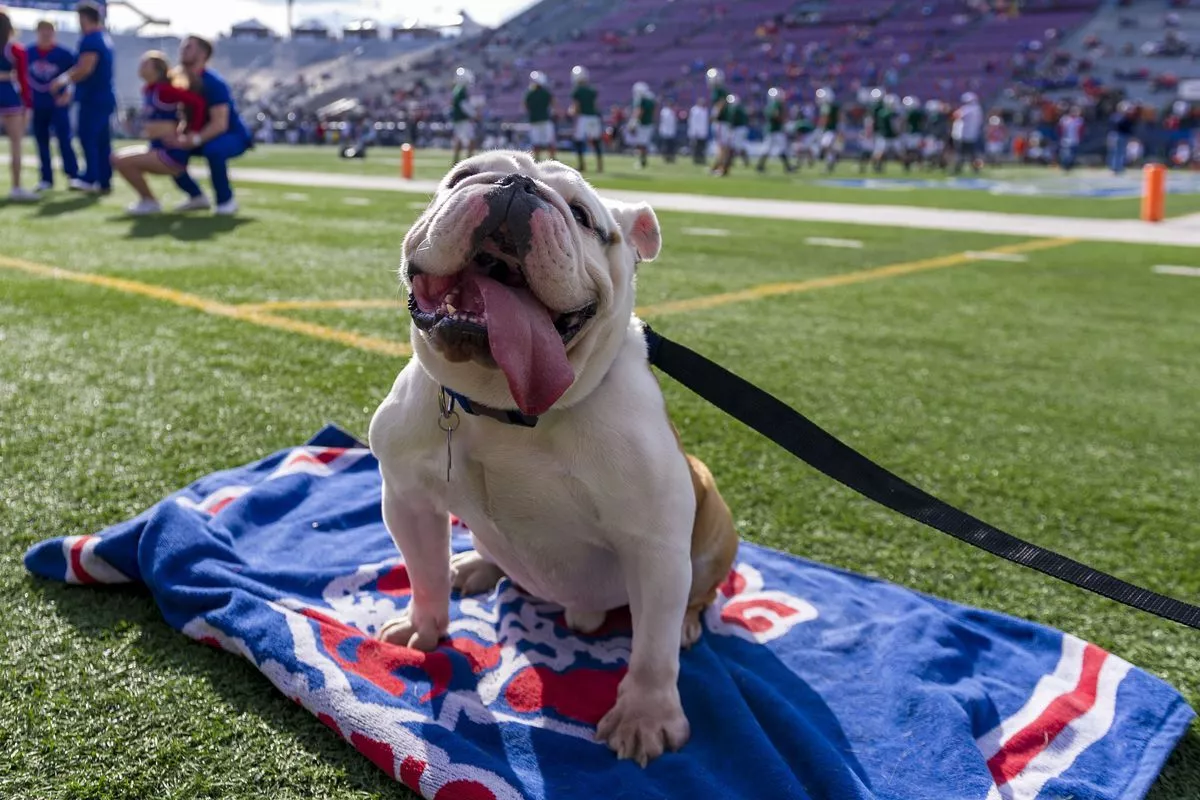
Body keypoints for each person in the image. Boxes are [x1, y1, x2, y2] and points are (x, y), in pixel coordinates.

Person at [165, 35, 255, 215]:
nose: (183, 50)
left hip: (230, 135)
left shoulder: (213, 82)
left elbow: (220, 124)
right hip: (201, 134)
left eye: (189, 47)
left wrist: (195, 139)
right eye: (183, 46)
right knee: (169, 151)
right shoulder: (179, 80)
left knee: (214, 150)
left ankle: (225, 201)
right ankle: (196, 196)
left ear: (203, 54)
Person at [110, 51, 207, 215]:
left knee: (121, 161)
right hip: (156, 147)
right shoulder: (149, 90)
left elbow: (198, 103)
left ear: (157, 69)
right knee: (116, 158)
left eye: (145, 64)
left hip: (170, 152)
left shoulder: (164, 90)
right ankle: (197, 196)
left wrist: (191, 133)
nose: (140, 66)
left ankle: (149, 201)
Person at [53, 1, 114, 195]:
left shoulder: (91, 39)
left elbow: (85, 68)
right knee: (102, 141)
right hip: (103, 97)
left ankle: (91, 178)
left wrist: (62, 81)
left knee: (88, 137)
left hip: (93, 99)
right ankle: (104, 180)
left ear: (84, 18)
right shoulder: (104, 38)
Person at [28, 20, 79, 192]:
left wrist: (68, 93)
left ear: (54, 32)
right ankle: (46, 178)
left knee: (64, 139)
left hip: (58, 104)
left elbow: (76, 75)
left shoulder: (64, 54)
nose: (46, 33)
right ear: (37, 31)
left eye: (49, 30)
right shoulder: (29, 53)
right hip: (37, 104)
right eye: (42, 30)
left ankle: (73, 175)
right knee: (41, 141)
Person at [0, 10, 37, 201]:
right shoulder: (16, 49)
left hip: (8, 94)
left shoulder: (16, 50)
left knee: (16, 143)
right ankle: (16, 187)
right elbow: (24, 80)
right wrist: (28, 105)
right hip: (9, 95)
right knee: (16, 144)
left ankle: (16, 188)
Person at [569, 65, 603, 173]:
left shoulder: (577, 91)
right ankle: (600, 166)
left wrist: (572, 112)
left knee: (578, 140)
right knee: (596, 141)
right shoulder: (592, 90)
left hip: (583, 117)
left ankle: (582, 164)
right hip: (594, 117)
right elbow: (595, 105)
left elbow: (576, 107)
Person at [757, 87, 795, 173]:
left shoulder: (770, 104)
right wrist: (784, 120)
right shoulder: (776, 104)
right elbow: (776, 115)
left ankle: (760, 166)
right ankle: (787, 167)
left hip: (772, 129)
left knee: (768, 148)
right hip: (775, 129)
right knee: (777, 148)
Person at [524, 71, 555, 160]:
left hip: (534, 120)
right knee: (549, 142)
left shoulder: (529, 94)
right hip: (545, 120)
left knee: (536, 143)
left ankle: (537, 160)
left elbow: (525, 106)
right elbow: (553, 104)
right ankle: (552, 159)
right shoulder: (546, 93)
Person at [951, 91, 983, 175]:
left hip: (964, 134)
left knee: (961, 153)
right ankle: (976, 169)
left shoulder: (967, 109)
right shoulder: (978, 109)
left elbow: (956, 115)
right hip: (973, 135)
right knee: (973, 155)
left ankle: (958, 168)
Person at [449, 66, 476, 165]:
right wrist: (474, 114)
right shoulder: (461, 91)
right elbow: (464, 106)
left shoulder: (457, 89)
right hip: (463, 120)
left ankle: (455, 163)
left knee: (459, 141)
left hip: (458, 119)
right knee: (471, 141)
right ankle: (469, 163)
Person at [707, 68, 730, 174]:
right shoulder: (722, 90)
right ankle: (720, 166)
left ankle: (721, 168)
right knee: (723, 145)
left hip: (721, 121)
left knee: (721, 145)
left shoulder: (718, 90)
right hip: (725, 122)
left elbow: (720, 103)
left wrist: (714, 115)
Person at [815, 87, 841, 173]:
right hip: (829, 130)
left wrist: (821, 126)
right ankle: (831, 161)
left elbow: (825, 119)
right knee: (827, 148)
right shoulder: (831, 106)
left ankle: (833, 158)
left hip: (829, 130)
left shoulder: (828, 107)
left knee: (825, 146)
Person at [630, 81, 655, 168]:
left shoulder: (643, 100)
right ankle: (643, 161)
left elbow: (639, 111)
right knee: (643, 144)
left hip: (643, 124)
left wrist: (633, 122)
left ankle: (642, 162)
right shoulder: (651, 100)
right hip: (649, 123)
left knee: (641, 144)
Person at [1108, 101, 1137, 175]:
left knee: (1122, 152)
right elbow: (1118, 124)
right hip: (1117, 135)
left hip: (1123, 136)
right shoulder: (1117, 116)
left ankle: (1119, 167)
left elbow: (1130, 126)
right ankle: (1114, 168)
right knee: (1115, 152)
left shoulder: (1128, 117)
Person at [901, 95, 925, 172]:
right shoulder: (918, 113)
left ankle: (908, 165)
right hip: (914, 133)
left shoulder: (911, 113)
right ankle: (917, 165)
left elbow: (904, 122)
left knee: (910, 151)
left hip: (911, 133)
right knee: (915, 151)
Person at [1058, 105, 1084, 172]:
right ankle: (1065, 167)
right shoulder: (1064, 119)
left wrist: (1080, 138)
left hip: (1075, 139)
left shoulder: (1079, 120)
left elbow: (1081, 131)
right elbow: (1060, 129)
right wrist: (1061, 137)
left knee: (1073, 154)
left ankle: (1070, 167)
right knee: (1065, 154)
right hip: (1066, 139)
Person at [687, 96, 709, 165]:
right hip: (696, 132)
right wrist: (693, 131)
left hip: (703, 131)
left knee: (702, 147)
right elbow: (692, 122)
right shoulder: (694, 110)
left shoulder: (705, 110)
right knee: (696, 147)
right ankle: (696, 160)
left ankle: (702, 159)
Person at [657, 98, 678, 163]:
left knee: (671, 146)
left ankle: (671, 158)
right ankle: (665, 157)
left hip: (671, 131)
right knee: (665, 146)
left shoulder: (673, 112)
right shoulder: (664, 111)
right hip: (665, 131)